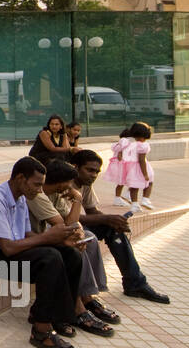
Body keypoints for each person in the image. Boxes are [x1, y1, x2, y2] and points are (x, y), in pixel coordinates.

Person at [0, 156, 88, 348]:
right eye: (36, 184)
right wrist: (49, 239)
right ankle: (41, 331)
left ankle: (56, 315)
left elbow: (25, 235)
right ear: (20, 178)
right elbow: (9, 248)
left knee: (71, 254)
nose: (40, 190)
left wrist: (61, 241)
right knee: (49, 258)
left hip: (7, 252)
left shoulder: (20, 198)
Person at [27, 160, 116, 335]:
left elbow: (72, 224)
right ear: (61, 182)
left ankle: (87, 296)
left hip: (46, 235)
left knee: (88, 238)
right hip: (34, 238)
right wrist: (77, 200)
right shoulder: (38, 196)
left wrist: (79, 230)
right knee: (72, 250)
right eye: (69, 182)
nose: (70, 186)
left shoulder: (56, 195)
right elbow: (65, 226)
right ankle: (78, 306)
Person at [70, 148, 170, 304]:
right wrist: (108, 218)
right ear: (75, 167)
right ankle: (86, 293)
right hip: (65, 229)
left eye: (97, 172)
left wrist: (115, 221)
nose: (94, 175)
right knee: (93, 234)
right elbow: (68, 219)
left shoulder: (85, 184)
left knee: (114, 229)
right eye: (89, 170)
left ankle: (135, 283)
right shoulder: (65, 183)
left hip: (76, 226)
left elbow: (92, 211)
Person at [108, 121, 155, 210]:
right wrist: (145, 174)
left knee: (134, 186)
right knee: (149, 182)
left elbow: (119, 151)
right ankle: (145, 199)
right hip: (140, 167)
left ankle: (134, 205)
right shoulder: (142, 146)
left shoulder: (126, 142)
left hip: (130, 168)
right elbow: (141, 160)